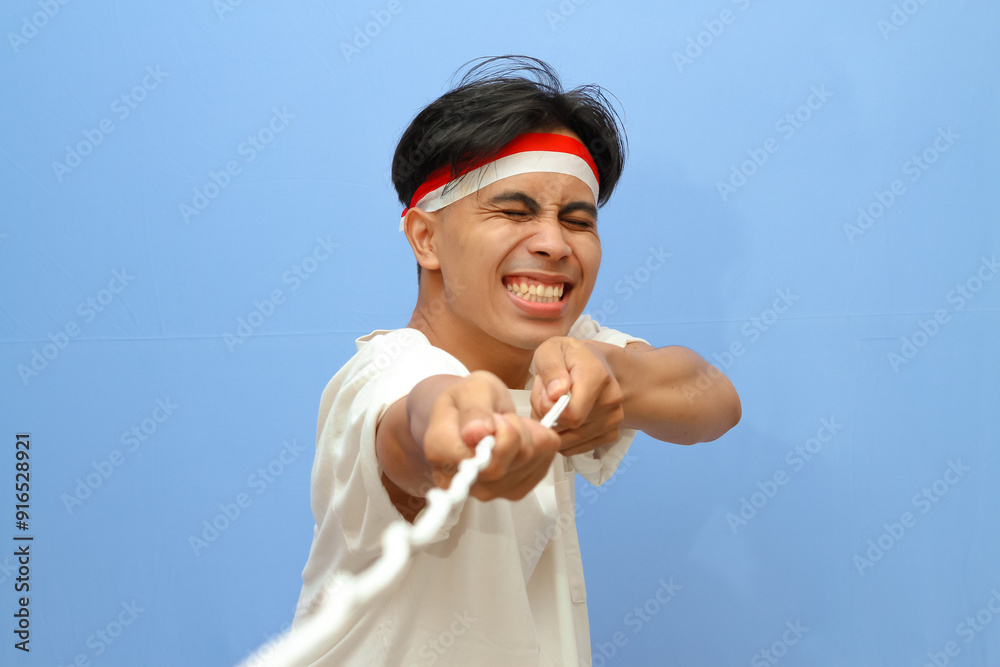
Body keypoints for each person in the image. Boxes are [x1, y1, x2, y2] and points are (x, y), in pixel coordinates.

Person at [292, 55, 741, 666]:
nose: (554, 243)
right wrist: (462, 434)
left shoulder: (563, 348)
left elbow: (711, 397)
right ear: (426, 238)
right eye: (513, 211)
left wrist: (614, 376)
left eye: (577, 221)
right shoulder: (383, 375)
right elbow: (414, 426)